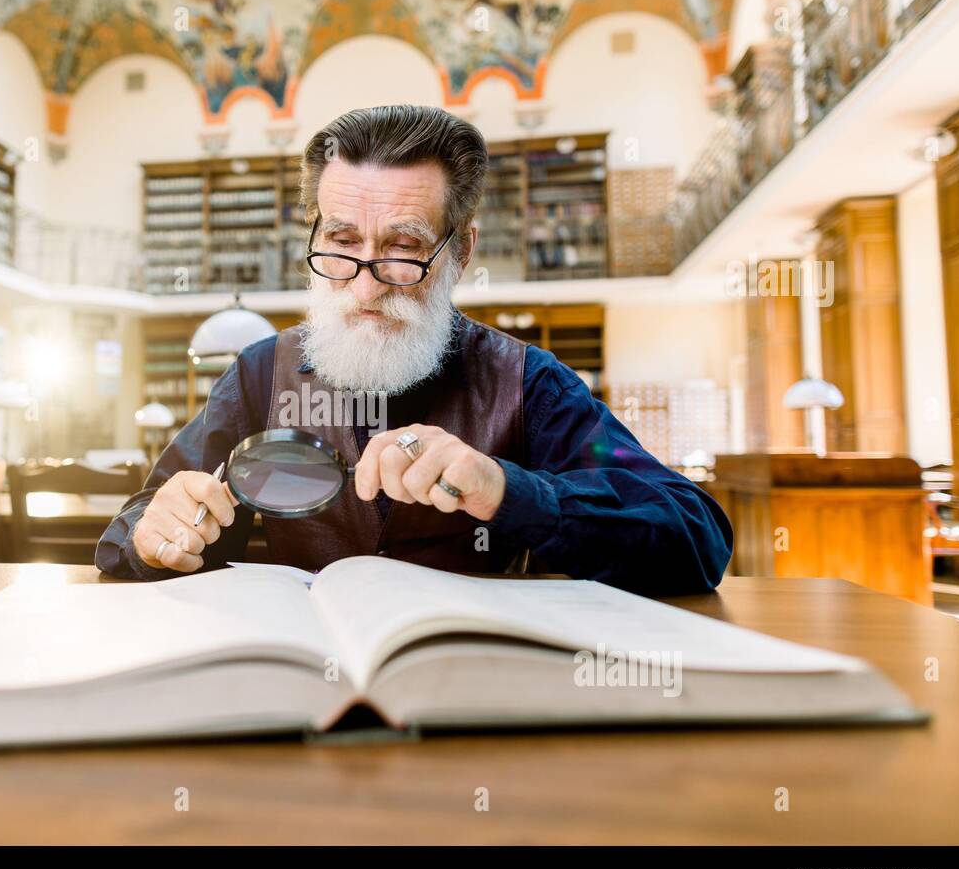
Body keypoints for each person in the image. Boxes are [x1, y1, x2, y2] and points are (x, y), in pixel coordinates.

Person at [97, 105, 732, 595]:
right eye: (343, 243)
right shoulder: (260, 374)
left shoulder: (531, 384)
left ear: (461, 251)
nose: (366, 283)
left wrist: (505, 489)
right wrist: (157, 531)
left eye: (403, 250)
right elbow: (129, 530)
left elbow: (696, 535)